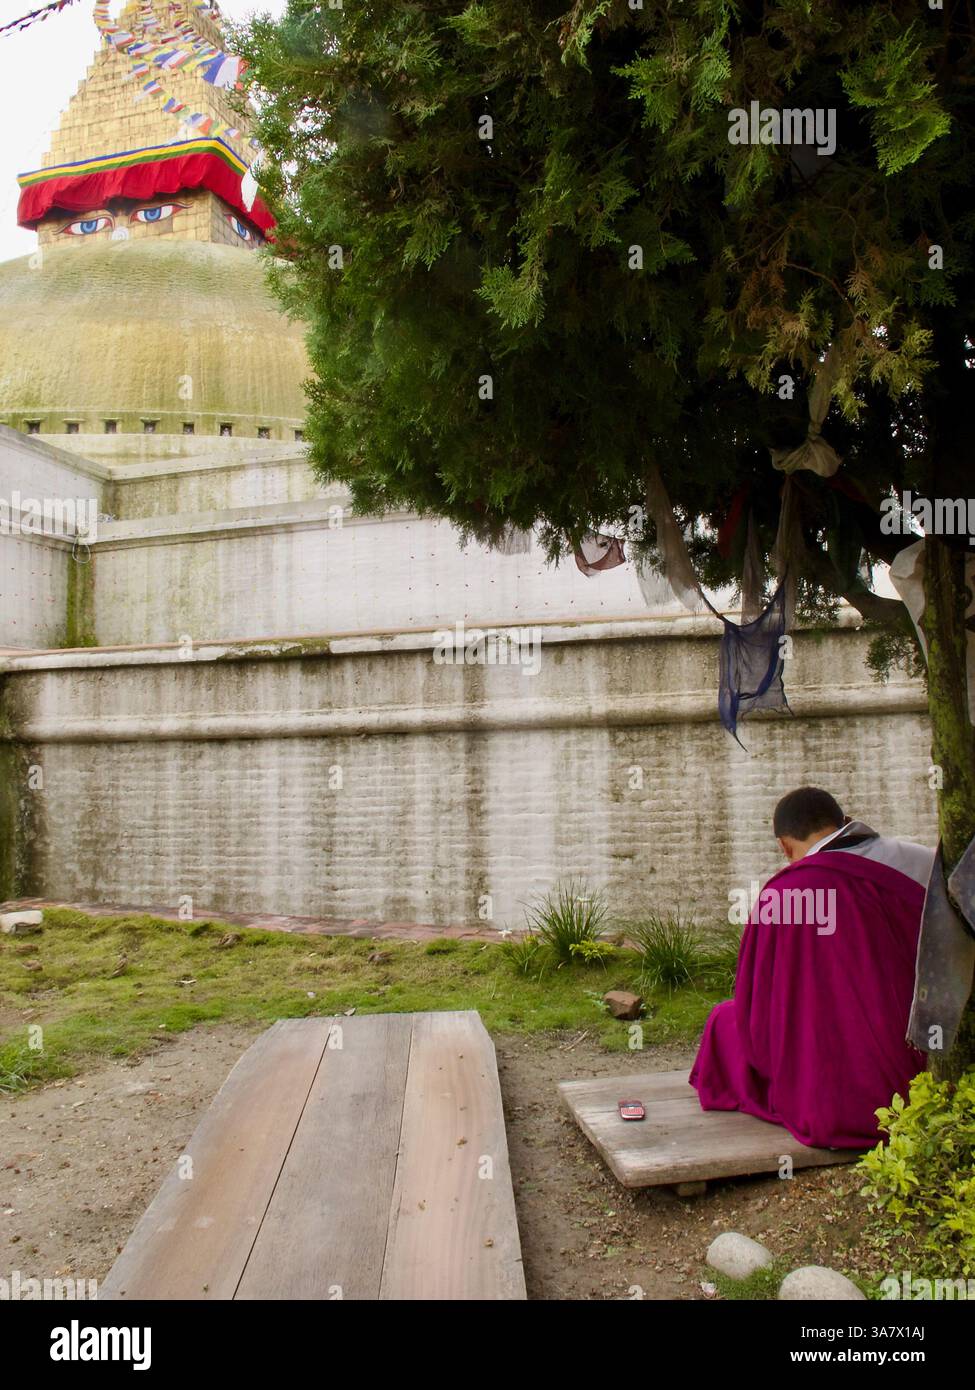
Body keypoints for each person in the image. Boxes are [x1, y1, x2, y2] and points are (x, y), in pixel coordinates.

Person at [690, 786, 934, 1149]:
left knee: (724, 1021)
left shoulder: (785, 894)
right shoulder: (923, 861)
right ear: (845, 822)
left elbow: (756, 1010)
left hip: (839, 1095)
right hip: (926, 1063)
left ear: (784, 846)